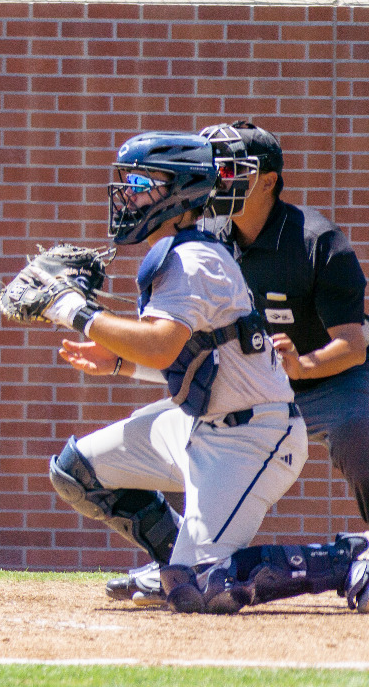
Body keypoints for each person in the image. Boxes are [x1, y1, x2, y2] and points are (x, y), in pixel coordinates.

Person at [30, 131, 308, 614]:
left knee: (203, 587)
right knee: (77, 472)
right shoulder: (180, 251)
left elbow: (161, 347)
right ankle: (176, 561)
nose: (129, 193)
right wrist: (117, 361)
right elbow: (194, 360)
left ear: (179, 191)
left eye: (142, 181)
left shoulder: (193, 259)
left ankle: (345, 556)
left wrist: (71, 308)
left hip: (253, 437)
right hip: (200, 422)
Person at [105, 121, 369, 608]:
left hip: (327, 381)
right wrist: (119, 357)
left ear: (267, 181)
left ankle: (364, 556)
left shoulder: (316, 238)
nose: (216, 177)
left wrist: (303, 366)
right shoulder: (206, 237)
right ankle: (183, 560)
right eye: (210, 167)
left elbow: (355, 344)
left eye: (229, 168)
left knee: (362, 429)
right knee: (191, 428)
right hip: (251, 382)